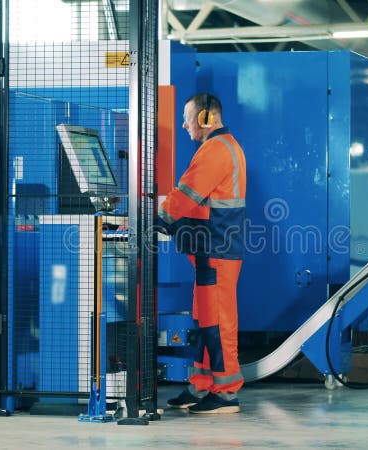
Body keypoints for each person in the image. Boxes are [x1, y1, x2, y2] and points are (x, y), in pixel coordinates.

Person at [158, 93, 246, 414]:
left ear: (206, 118)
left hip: (217, 249)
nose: (184, 124)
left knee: (218, 322)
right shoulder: (220, 148)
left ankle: (226, 392)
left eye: (188, 117)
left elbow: (187, 192)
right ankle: (203, 385)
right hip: (210, 250)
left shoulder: (216, 150)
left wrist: (161, 218)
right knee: (206, 321)